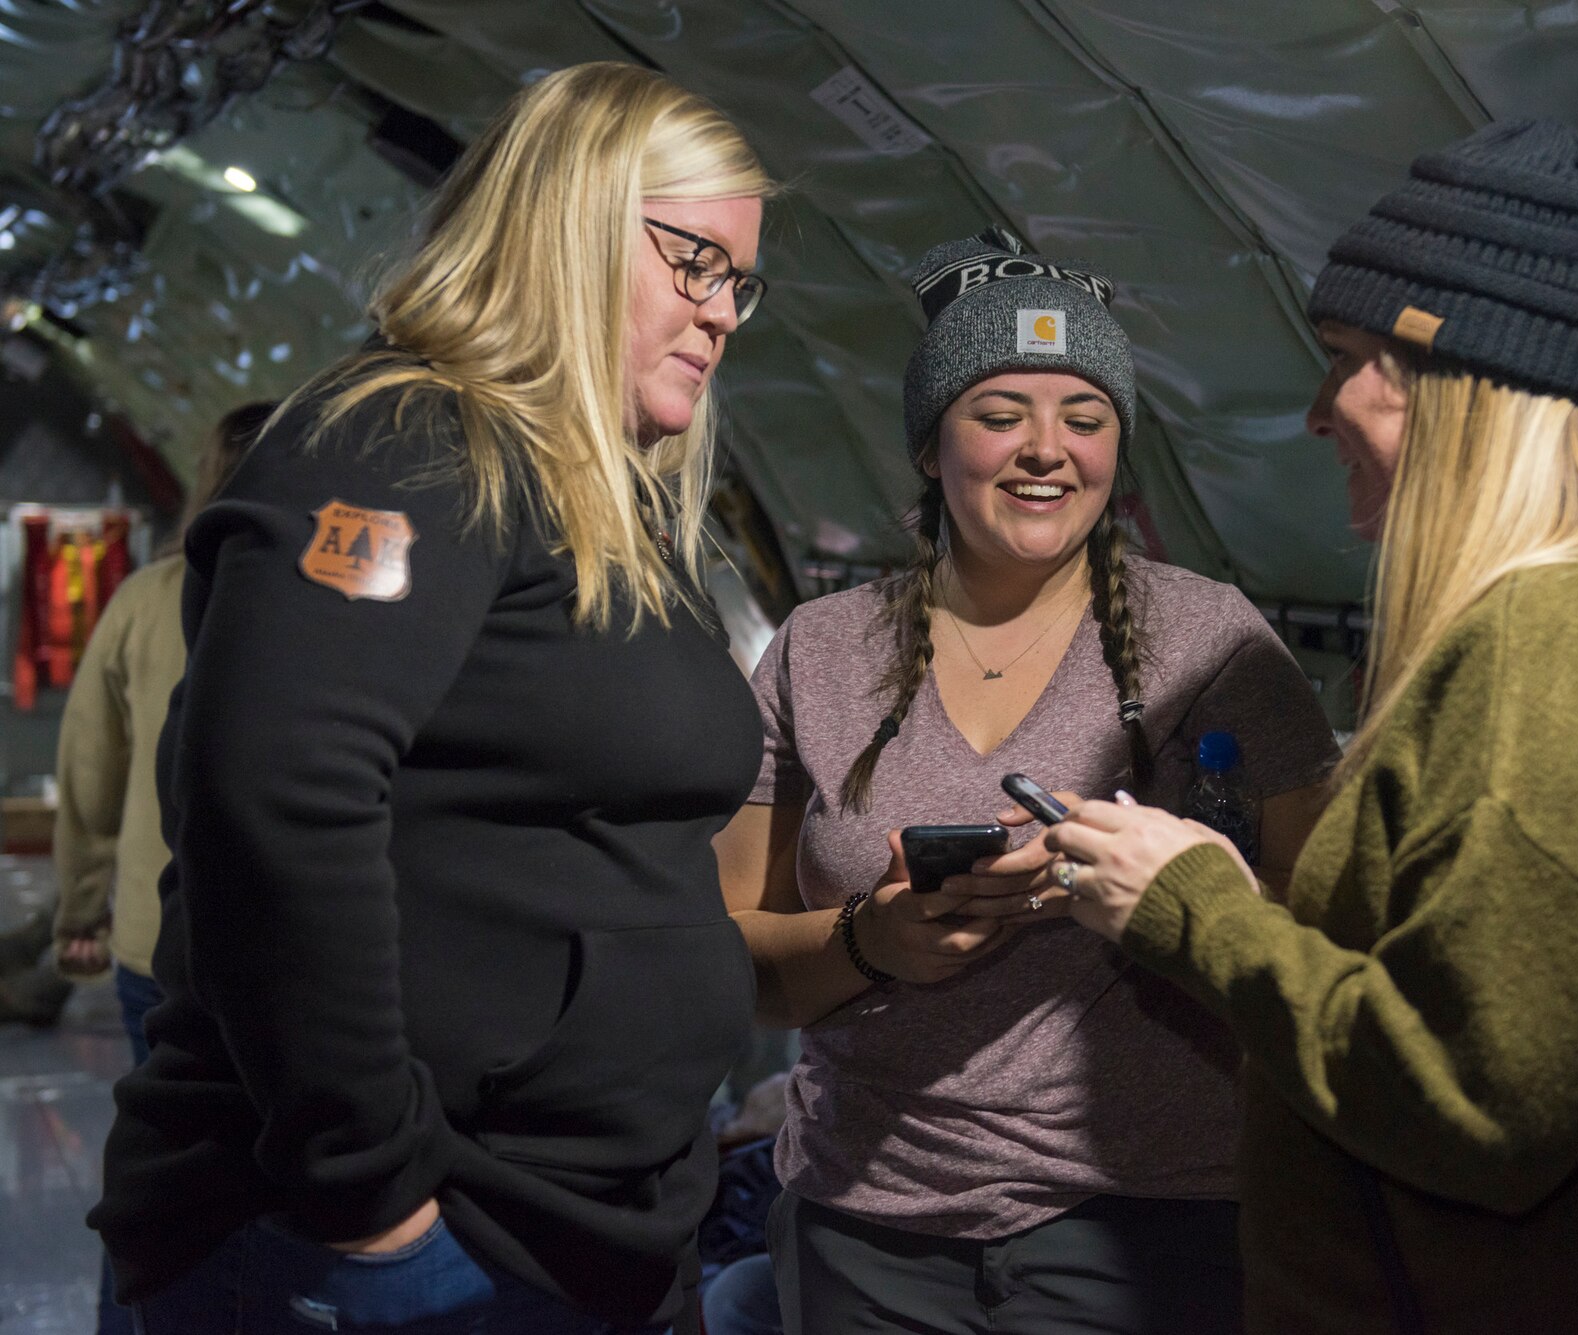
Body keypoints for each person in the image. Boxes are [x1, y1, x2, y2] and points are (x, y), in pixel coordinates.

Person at [1033, 119, 1578, 1334]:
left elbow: (1473, 1104)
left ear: (1450, 385)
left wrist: (1199, 915)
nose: (1314, 411)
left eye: (1341, 357)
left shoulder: (1570, 657)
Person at [89, 62, 774, 1335]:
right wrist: (369, 1189)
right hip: (410, 1244)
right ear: (567, 224)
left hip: (578, 1226)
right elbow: (275, 791)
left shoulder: (604, 502)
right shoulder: (410, 440)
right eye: (692, 261)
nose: (722, 311)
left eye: (739, 280)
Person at [715, 227, 1339, 1334]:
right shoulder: (819, 653)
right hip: (867, 1224)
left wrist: (1177, 901)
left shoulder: (1214, 644)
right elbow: (731, 956)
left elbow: (1325, 936)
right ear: (927, 445)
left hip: (1148, 1221)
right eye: (999, 414)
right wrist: (876, 938)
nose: (1045, 449)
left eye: (1083, 418)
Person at [50, 399, 272, 1335]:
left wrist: (80, 907)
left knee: (158, 1157)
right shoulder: (325, 596)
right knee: (270, 1169)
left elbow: (87, 766)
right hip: (277, 943)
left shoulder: (145, 598)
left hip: (152, 938)